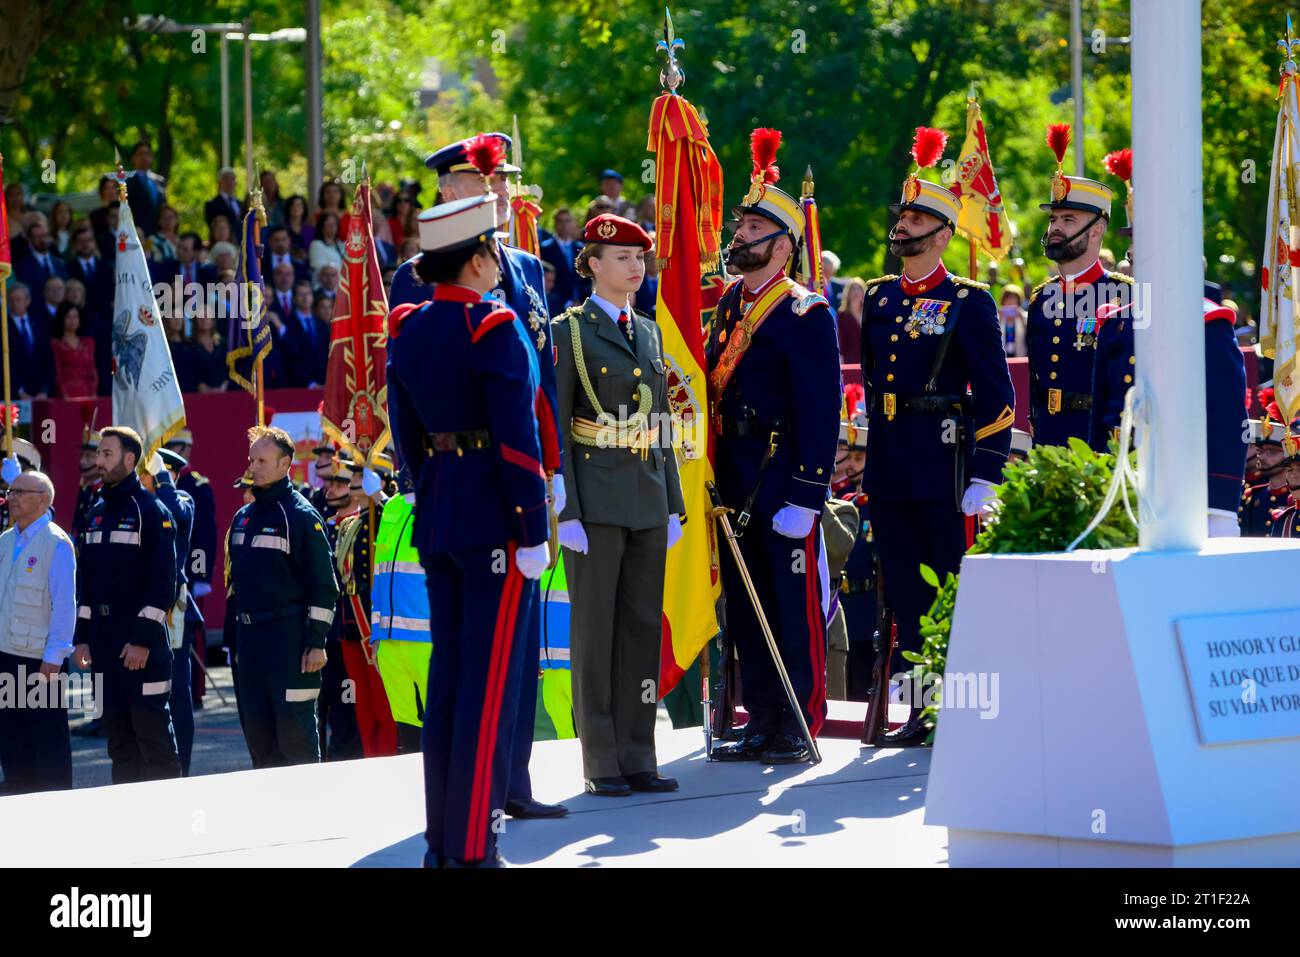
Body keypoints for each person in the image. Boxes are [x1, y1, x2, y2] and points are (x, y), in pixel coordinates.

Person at [390, 132, 567, 820]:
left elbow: (539, 374)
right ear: (445, 193)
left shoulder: (520, 264)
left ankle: (508, 781)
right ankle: (472, 810)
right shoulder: (423, 280)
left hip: (513, 477)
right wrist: (423, 477)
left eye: (495, 181)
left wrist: (549, 470)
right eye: (473, 182)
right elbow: (406, 398)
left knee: (513, 652)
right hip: (479, 489)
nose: (492, 191)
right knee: (474, 661)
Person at [858, 127, 1015, 746]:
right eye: (903, 216)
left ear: (944, 234)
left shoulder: (967, 300)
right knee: (901, 591)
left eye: (919, 218)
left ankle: (957, 709)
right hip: (892, 465)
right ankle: (918, 710)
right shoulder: (878, 299)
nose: (904, 226)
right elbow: (875, 384)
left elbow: (997, 394)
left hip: (945, 465)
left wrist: (986, 471)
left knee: (946, 588)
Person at [705, 128, 842, 764]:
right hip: (731, 473)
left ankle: (798, 718)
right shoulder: (730, 303)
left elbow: (821, 407)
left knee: (789, 604)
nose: (738, 239)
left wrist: (809, 493)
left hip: (782, 473)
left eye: (752, 229)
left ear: (782, 244)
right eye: (739, 228)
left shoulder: (805, 312)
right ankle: (759, 716)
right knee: (745, 598)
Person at [553, 213, 685, 796]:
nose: (637, 268)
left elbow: (663, 424)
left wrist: (674, 503)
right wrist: (566, 509)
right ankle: (602, 760)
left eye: (641, 258)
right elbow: (555, 424)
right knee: (595, 633)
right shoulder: (569, 332)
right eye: (624, 258)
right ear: (593, 264)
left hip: (646, 498)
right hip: (597, 501)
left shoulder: (650, 331)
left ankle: (639, 753)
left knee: (640, 631)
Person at [1087, 148, 1247, 538]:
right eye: (1134, 244)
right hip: (1120, 487)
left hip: (1185, 492)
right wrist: (1091, 480)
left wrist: (1222, 506)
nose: (1135, 255)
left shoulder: (1206, 320)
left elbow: (1228, 420)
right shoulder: (1114, 320)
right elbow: (1101, 417)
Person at [225, 425, 339, 767]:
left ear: (285, 463)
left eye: (262, 460)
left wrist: (317, 643)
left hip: (289, 644)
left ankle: (309, 816)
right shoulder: (243, 518)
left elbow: (324, 585)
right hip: (250, 643)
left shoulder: (302, 516)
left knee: (296, 740)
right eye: (251, 459)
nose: (253, 467)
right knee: (259, 739)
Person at [76, 426, 181, 782]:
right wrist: (83, 637)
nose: (98, 461)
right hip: (104, 646)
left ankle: (172, 824)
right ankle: (130, 824)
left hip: (142, 650)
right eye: (98, 454)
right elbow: (87, 584)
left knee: (153, 741)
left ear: (130, 459)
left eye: (107, 454)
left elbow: (163, 584)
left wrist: (140, 640)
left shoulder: (152, 511)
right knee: (119, 743)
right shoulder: (97, 511)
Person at [1026, 123, 1127, 447]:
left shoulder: (1125, 295)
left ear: (1096, 231)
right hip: (1047, 438)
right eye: (1054, 219)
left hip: (1095, 438)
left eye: (1068, 220)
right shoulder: (1043, 297)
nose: (1055, 228)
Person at [0, 470, 80, 793]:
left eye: (21, 492)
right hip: (6, 654)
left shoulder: (56, 543)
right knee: (11, 735)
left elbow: (64, 605)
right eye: (11, 491)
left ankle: (55, 806)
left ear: (44, 500)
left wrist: (54, 657)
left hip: (40, 661)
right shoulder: (5, 541)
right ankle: (21, 796)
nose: (11, 497)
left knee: (47, 740)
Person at [333, 459, 398, 757]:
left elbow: (390, 530)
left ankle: (384, 756)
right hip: (349, 620)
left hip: (372, 619)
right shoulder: (349, 522)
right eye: (354, 474)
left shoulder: (383, 515)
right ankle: (370, 755)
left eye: (361, 474)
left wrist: (379, 501)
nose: (354, 479)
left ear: (380, 481)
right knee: (361, 702)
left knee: (381, 700)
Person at [143, 447, 198, 776]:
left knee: (176, 695)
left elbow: (176, 516)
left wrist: (163, 479)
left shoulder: (182, 500)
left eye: (148, 473)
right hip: (142, 609)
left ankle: (181, 769)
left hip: (173, 614)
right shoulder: (142, 504)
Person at [370, 468, 431, 754]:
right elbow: (379, 574)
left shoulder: (442, 502)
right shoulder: (393, 506)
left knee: (443, 727)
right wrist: (376, 636)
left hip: (430, 641)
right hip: (391, 644)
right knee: (406, 733)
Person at [7, 282, 55, 399]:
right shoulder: (4, 327)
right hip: (16, 395)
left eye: (18, 300)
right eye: (11, 300)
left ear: (27, 301)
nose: (14, 304)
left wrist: (45, 390)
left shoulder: (39, 323)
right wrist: (19, 391)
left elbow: (48, 358)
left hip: (40, 394)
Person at [50, 302, 98, 399]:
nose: (72, 321)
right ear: (62, 319)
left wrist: (93, 393)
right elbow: (57, 373)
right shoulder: (55, 344)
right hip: (64, 397)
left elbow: (92, 370)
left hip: (87, 394)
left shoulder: (88, 343)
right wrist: (65, 396)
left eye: (75, 317)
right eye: (68, 317)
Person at [125, 139, 166, 237]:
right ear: (133, 158)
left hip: (159, 233)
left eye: (147, 153)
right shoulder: (127, 182)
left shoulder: (159, 181)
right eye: (140, 153)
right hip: (138, 234)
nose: (144, 157)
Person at [836, 276, 866, 366]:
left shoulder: (868, 313)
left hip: (867, 362)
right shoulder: (842, 315)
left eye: (859, 289)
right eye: (853, 289)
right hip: (850, 362)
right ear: (848, 293)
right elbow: (840, 341)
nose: (856, 292)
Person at [999, 284, 1028, 357]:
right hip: (1003, 357)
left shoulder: (1025, 317)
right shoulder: (997, 317)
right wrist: (1000, 319)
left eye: (1014, 299)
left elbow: (1031, 334)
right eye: (1008, 299)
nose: (1010, 301)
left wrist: (1022, 318)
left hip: (1020, 355)